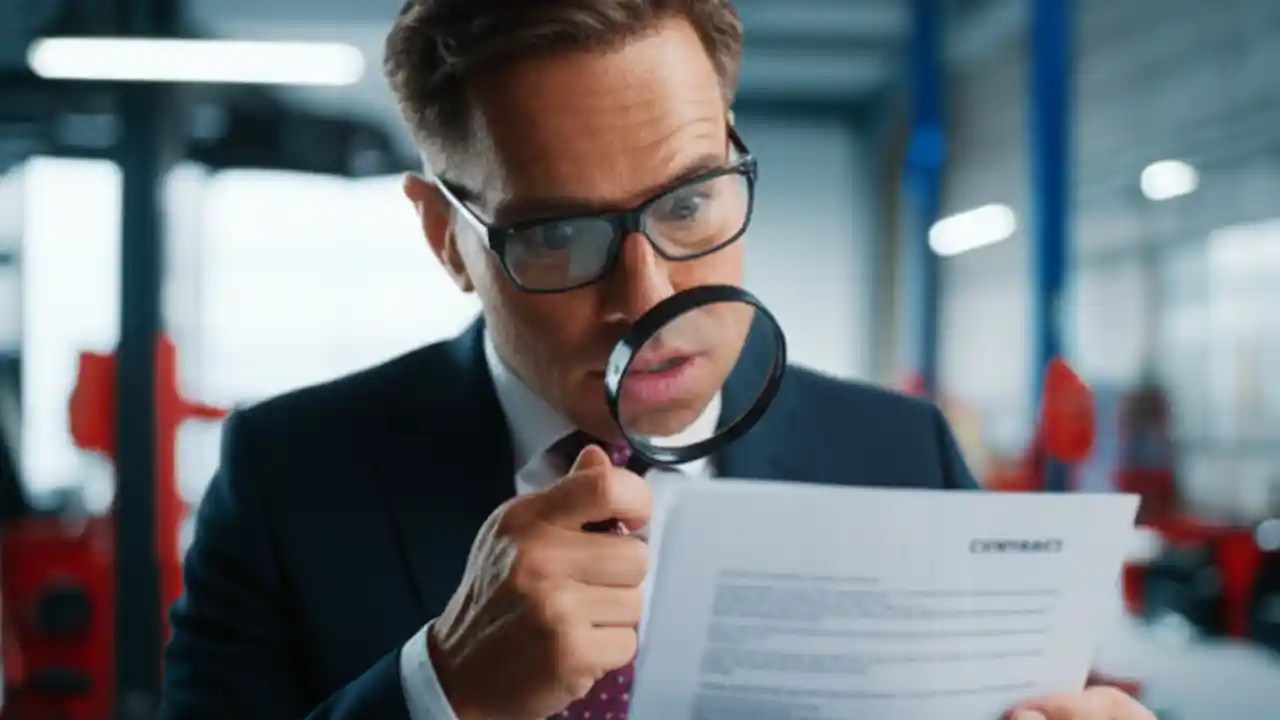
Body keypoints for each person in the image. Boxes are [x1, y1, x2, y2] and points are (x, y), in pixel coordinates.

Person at [160, 2, 1157, 719]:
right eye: (555, 235)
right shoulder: (290, 477)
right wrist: (439, 691)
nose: (647, 300)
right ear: (445, 238)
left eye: (686, 203)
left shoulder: (901, 453)